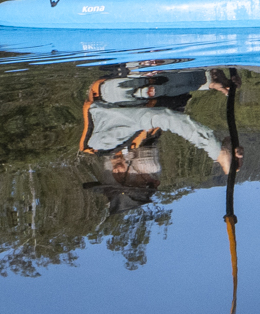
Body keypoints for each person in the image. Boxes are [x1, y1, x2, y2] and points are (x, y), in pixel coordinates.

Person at [79, 66, 240, 213]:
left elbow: (163, 117)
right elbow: (163, 89)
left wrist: (218, 152)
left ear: (119, 171)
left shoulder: (103, 142)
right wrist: (208, 79)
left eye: (147, 184)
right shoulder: (142, 140)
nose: (157, 183)